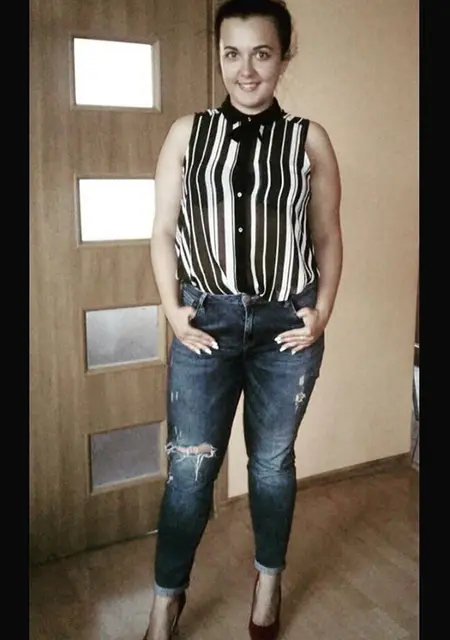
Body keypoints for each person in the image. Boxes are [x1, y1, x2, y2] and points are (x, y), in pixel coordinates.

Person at [144, 0, 343, 638]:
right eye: (232, 53)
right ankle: (167, 599)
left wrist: (322, 311)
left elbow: (327, 236)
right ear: (219, 56)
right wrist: (173, 310)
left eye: (262, 53)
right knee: (190, 469)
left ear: (284, 57)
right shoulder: (187, 133)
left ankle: (269, 581)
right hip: (206, 322)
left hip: (287, 329)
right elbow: (163, 230)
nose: (246, 70)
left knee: (271, 465)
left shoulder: (309, 139)